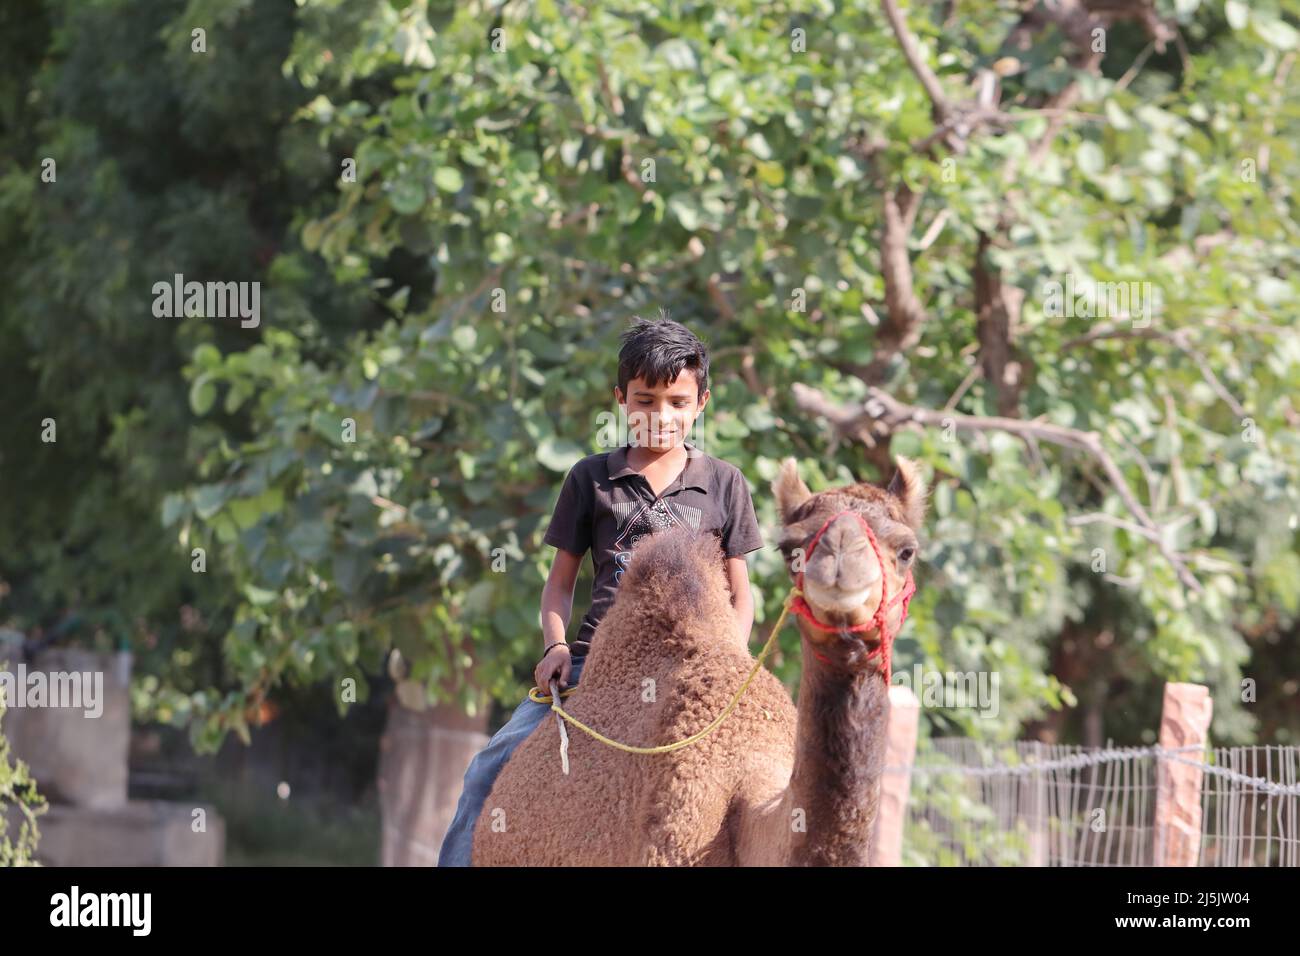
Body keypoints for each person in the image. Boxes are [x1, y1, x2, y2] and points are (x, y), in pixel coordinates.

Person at [437, 312, 766, 866]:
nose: (661, 416)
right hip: (595, 665)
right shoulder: (589, 478)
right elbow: (558, 586)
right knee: (487, 769)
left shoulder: (725, 482)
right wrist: (556, 646)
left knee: (772, 773)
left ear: (701, 404)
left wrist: (730, 657)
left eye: (678, 402)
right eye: (645, 401)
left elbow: (742, 592)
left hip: (693, 667)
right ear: (621, 400)